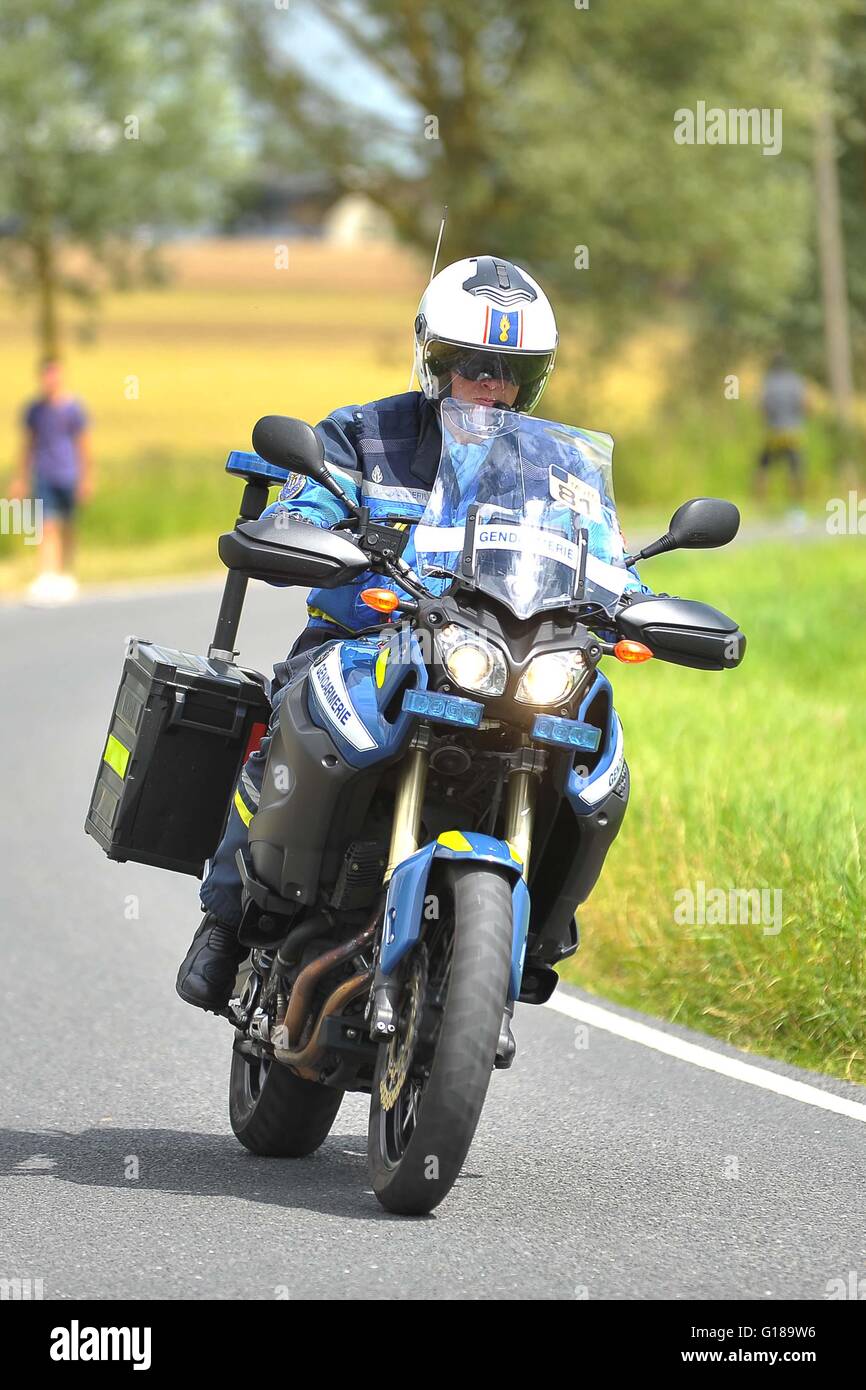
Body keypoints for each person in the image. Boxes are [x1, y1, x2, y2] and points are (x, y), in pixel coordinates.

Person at [176, 255, 577, 1011]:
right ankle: (227, 918)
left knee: (586, 739)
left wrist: (638, 597)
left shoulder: (549, 464)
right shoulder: (363, 434)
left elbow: (599, 555)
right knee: (287, 721)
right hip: (362, 648)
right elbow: (303, 508)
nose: (492, 385)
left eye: (511, 370)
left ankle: (540, 929)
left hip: (497, 663)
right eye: (474, 365)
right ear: (436, 361)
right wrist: (300, 530)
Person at [10, 357, 93, 604]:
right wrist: (20, 478)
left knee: (68, 524)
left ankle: (66, 573)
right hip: (44, 473)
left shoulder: (73, 409)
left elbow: (83, 444)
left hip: (68, 473)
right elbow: (27, 445)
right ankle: (47, 574)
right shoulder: (35, 410)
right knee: (47, 526)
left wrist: (86, 476)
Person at [755, 352, 806, 514]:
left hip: (774, 433)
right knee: (795, 469)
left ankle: (762, 506)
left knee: (763, 467)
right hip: (792, 433)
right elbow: (805, 403)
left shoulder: (769, 382)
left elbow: (761, 406)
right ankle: (795, 507)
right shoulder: (796, 381)